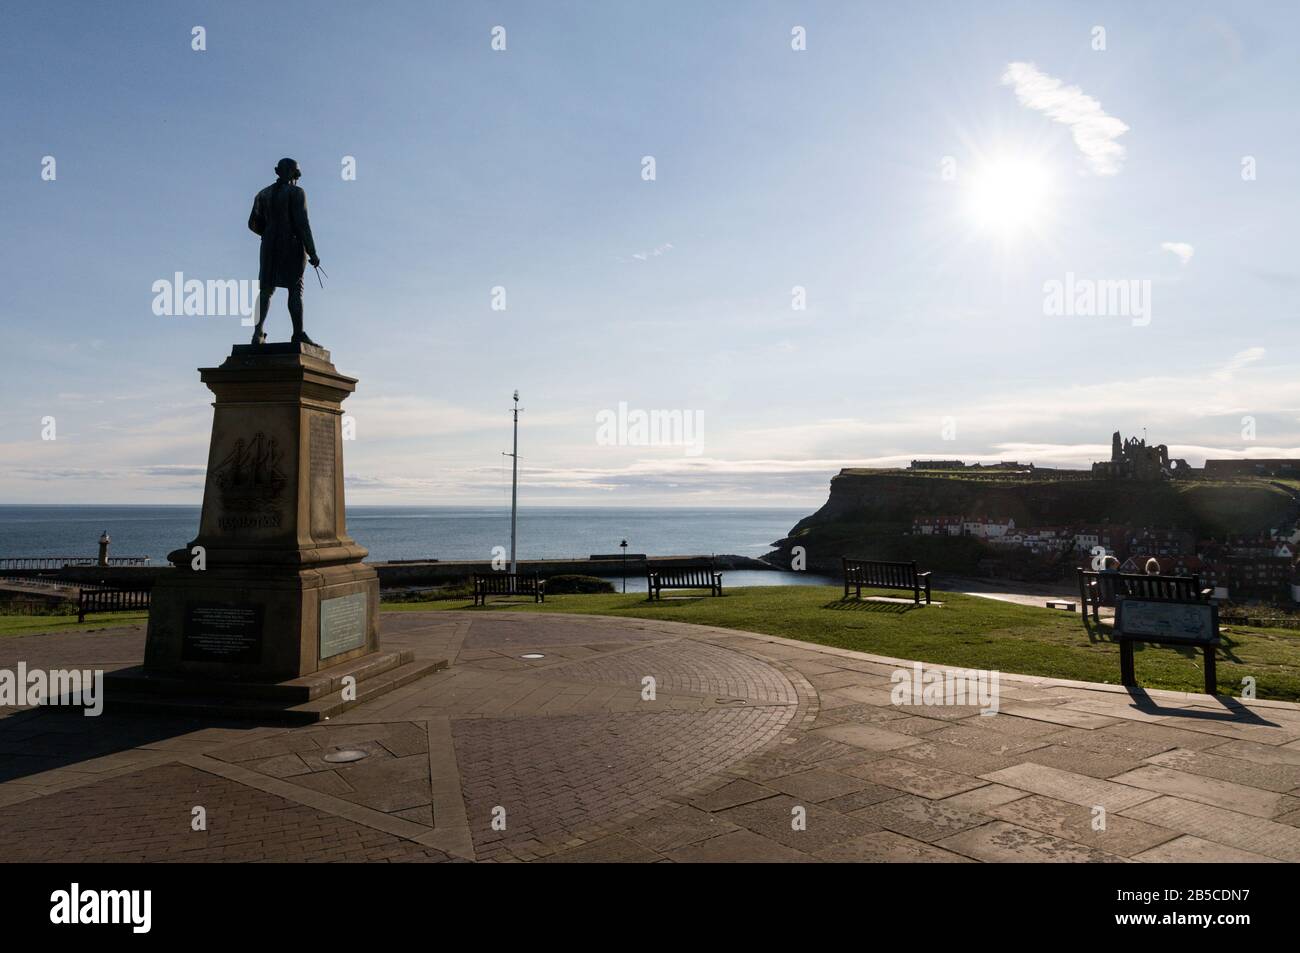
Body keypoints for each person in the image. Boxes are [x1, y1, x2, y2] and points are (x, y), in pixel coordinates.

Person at [247, 158, 321, 345]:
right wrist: (312, 252)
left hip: (269, 245)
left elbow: (253, 224)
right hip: (292, 244)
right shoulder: (296, 193)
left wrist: (269, 234)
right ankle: (298, 333)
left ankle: (257, 333)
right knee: (295, 290)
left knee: (266, 290)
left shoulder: (263, 194)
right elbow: (302, 224)